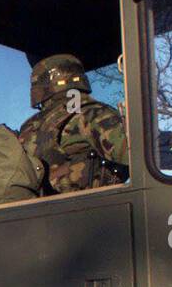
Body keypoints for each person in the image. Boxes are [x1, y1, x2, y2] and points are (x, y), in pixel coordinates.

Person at [17, 54, 129, 196]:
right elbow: (138, 153)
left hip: (37, 214)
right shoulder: (90, 113)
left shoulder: (28, 128)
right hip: (96, 211)